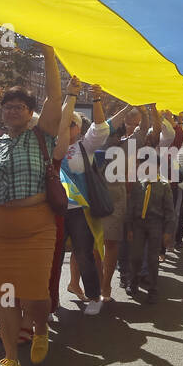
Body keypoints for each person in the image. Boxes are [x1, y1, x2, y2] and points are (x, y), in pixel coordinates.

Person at [0, 48, 63, 366]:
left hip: (36, 229)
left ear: (30, 112)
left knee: (36, 293)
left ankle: (41, 328)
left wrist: (48, 53)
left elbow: (55, 96)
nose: (12, 111)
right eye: (8, 106)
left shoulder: (41, 136)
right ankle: (10, 359)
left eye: (20, 106)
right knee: (7, 293)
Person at [57, 81, 111, 314]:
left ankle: (94, 297)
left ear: (78, 129)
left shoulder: (84, 147)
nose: (66, 127)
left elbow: (100, 127)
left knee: (84, 253)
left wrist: (97, 99)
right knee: (52, 256)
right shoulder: (49, 144)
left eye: (71, 124)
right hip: (54, 208)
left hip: (79, 211)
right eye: (64, 123)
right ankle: (48, 301)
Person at [125, 153, 176, 303]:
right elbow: (131, 208)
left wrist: (168, 232)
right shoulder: (138, 185)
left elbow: (170, 212)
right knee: (135, 256)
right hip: (138, 225)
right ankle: (132, 282)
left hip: (155, 224)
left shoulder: (164, 186)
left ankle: (153, 289)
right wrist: (129, 228)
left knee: (153, 259)